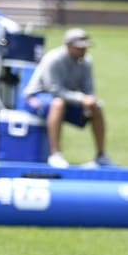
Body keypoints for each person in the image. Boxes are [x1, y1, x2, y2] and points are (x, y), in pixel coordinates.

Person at [22, 28, 112, 169]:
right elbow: (55, 90)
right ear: (69, 46)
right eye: (79, 48)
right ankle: (55, 155)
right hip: (37, 99)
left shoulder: (86, 62)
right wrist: (82, 99)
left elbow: (88, 90)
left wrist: (91, 101)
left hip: (66, 100)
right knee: (58, 104)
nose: (84, 51)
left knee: (96, 107)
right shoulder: (53, 59)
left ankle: (101, 156)